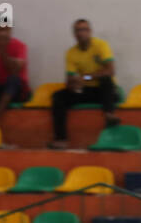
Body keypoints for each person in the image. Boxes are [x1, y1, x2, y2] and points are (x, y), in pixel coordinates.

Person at [50, 18, 118, 148]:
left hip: (105, 93)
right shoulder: (71, 53)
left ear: (90, 31)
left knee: (106, 79)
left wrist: (85, 77)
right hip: (85, 90)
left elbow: (110, 70)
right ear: (74, 34)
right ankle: (61, 139)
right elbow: (69, 80)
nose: (81, 33)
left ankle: (109, 114)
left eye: (84, 30)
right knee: (58, 97)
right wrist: (74, 84)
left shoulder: (101, 45)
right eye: (78, 30)